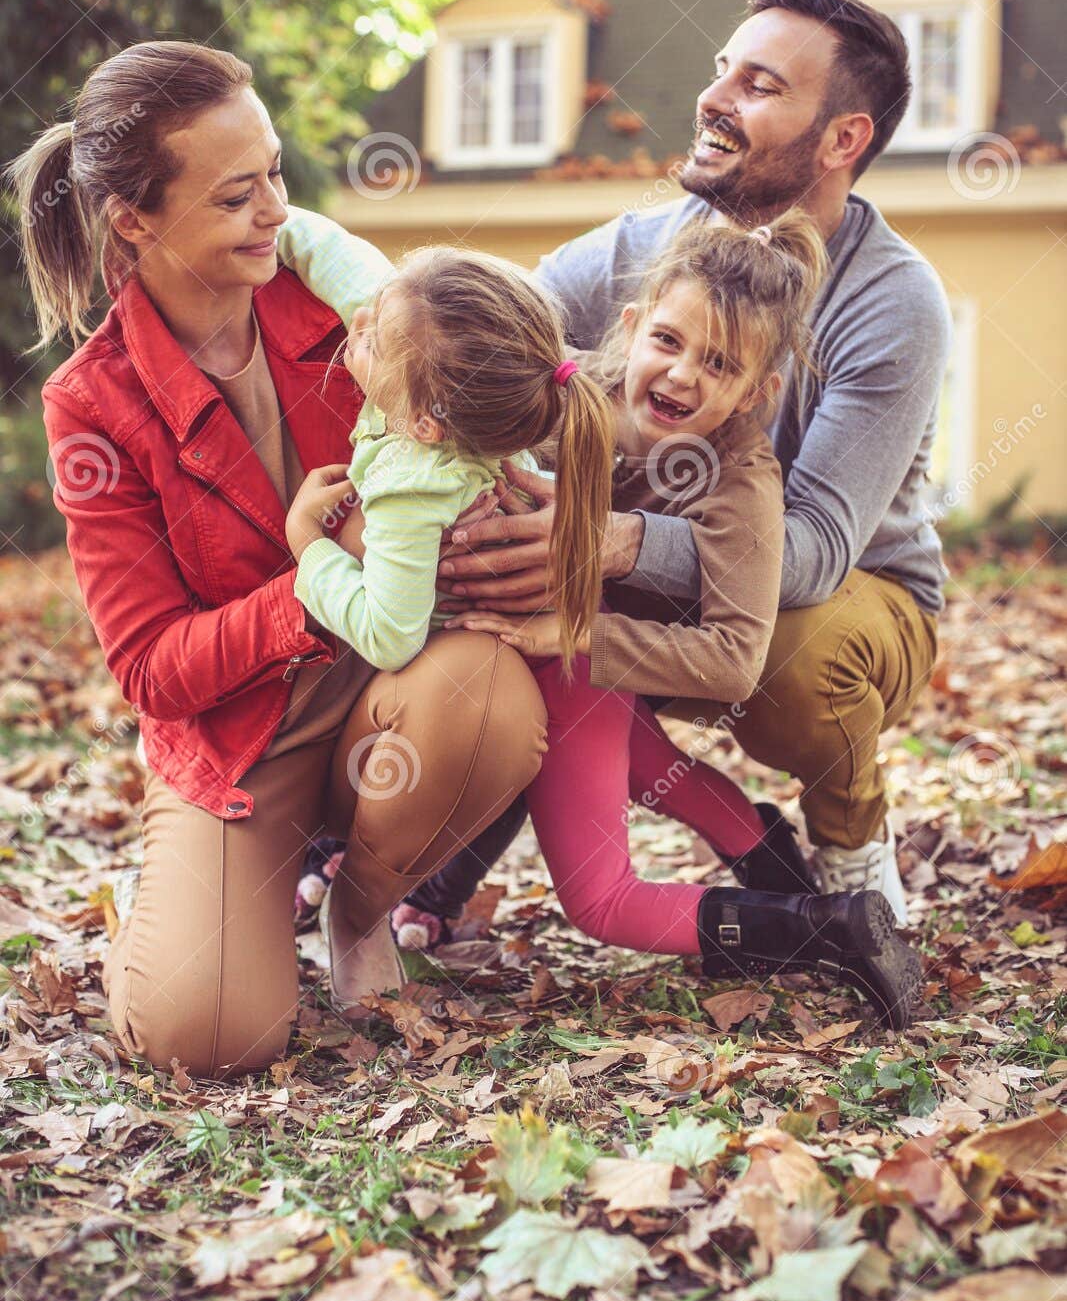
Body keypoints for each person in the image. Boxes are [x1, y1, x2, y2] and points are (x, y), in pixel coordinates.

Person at [8, 40, 547, 1080]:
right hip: (243, 742)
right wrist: (311, 582)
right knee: (205, 1037)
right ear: (135, 219)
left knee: (488, 702)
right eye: (235, 194)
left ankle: (356, 912)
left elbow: (471, 417)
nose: (274, 211)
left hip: (390, 688)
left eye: (276, 177)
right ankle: (205, 893)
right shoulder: (93, 400)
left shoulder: (355, 310)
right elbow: (150, 670)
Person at [279, 207, 921, 1028]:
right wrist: (272, 215)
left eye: (717, 364)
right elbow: (380, 292)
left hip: (581, 666)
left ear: (757, 392)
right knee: (634, 757)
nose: (682, 374)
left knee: (601, 898)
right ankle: (762, 850)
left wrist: (569, 631)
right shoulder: (553, 390)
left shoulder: (738, 486)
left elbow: (730, 663)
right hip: (553, 668)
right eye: (667, 341)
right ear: (631, 325)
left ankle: (823, 930)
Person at [411, 0, 951, 928]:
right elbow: (496, 345)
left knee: (792, 655)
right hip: (670, 577)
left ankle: (849, 841)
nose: (715, 98)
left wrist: (601, 543)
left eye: (759, 84)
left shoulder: (891, 303)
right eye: (721, 72)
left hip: (846, 597)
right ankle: (434, 858)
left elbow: (815, 547)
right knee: (495, 582)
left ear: (841, 139)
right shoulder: (641, 248)